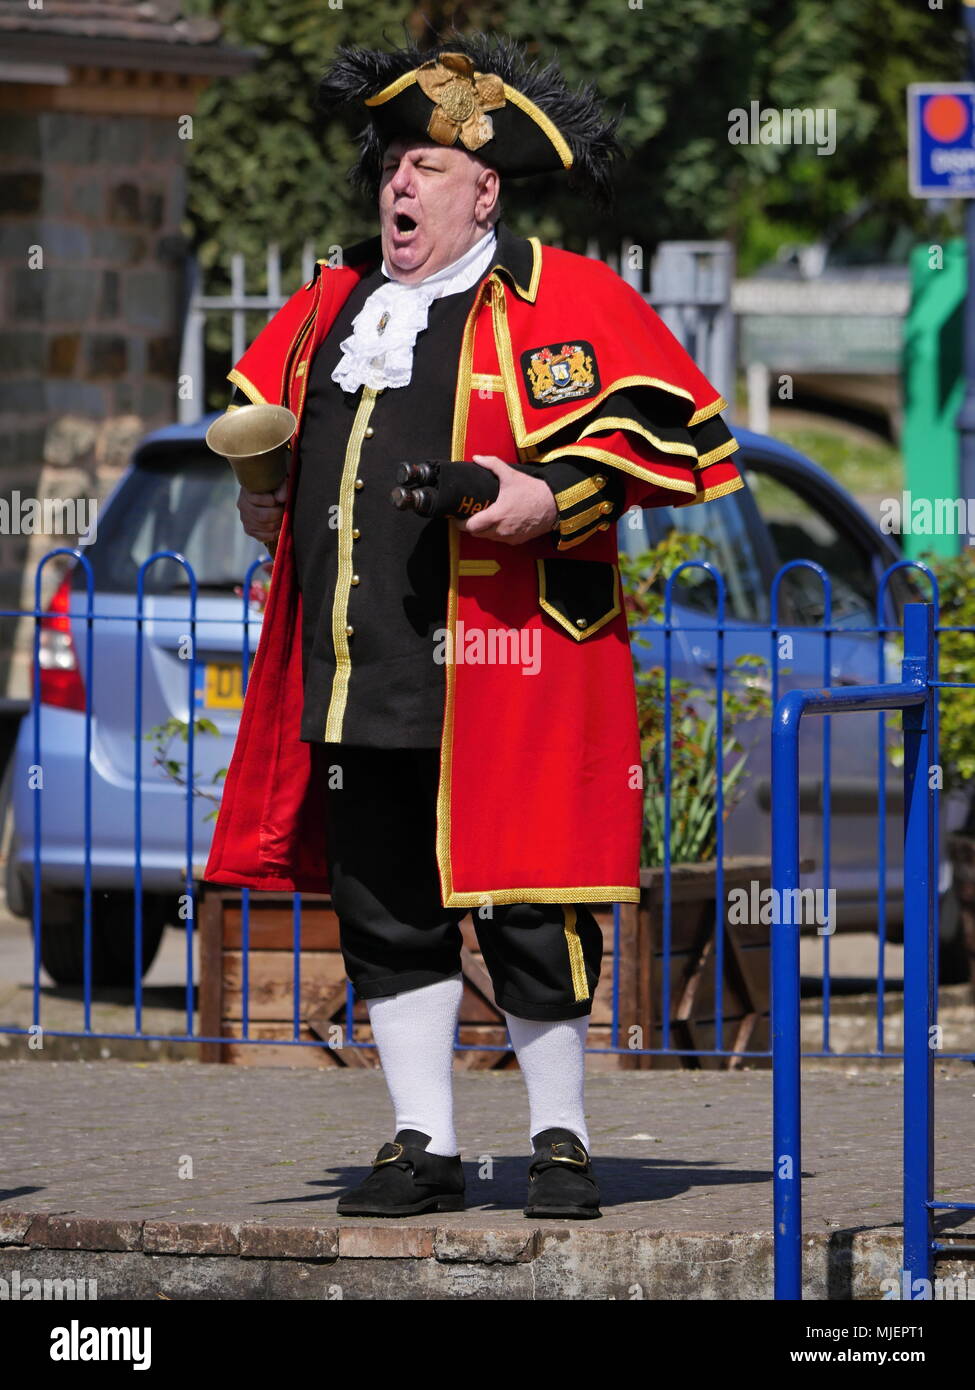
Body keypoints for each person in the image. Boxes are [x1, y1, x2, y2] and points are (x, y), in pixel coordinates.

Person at [203, 33, 745, 1219]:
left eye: (428, 166)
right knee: (387, 906)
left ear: (485, 189)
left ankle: (559, 1137)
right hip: (359, 668)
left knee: (529, 904)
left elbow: (677, 450)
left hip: (511, 665)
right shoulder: (326, 306)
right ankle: (421, 1139)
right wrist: (261, 497)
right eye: (394, 160)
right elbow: (268, 439)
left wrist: (549, 497)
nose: (400, 182)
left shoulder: (570, 300)